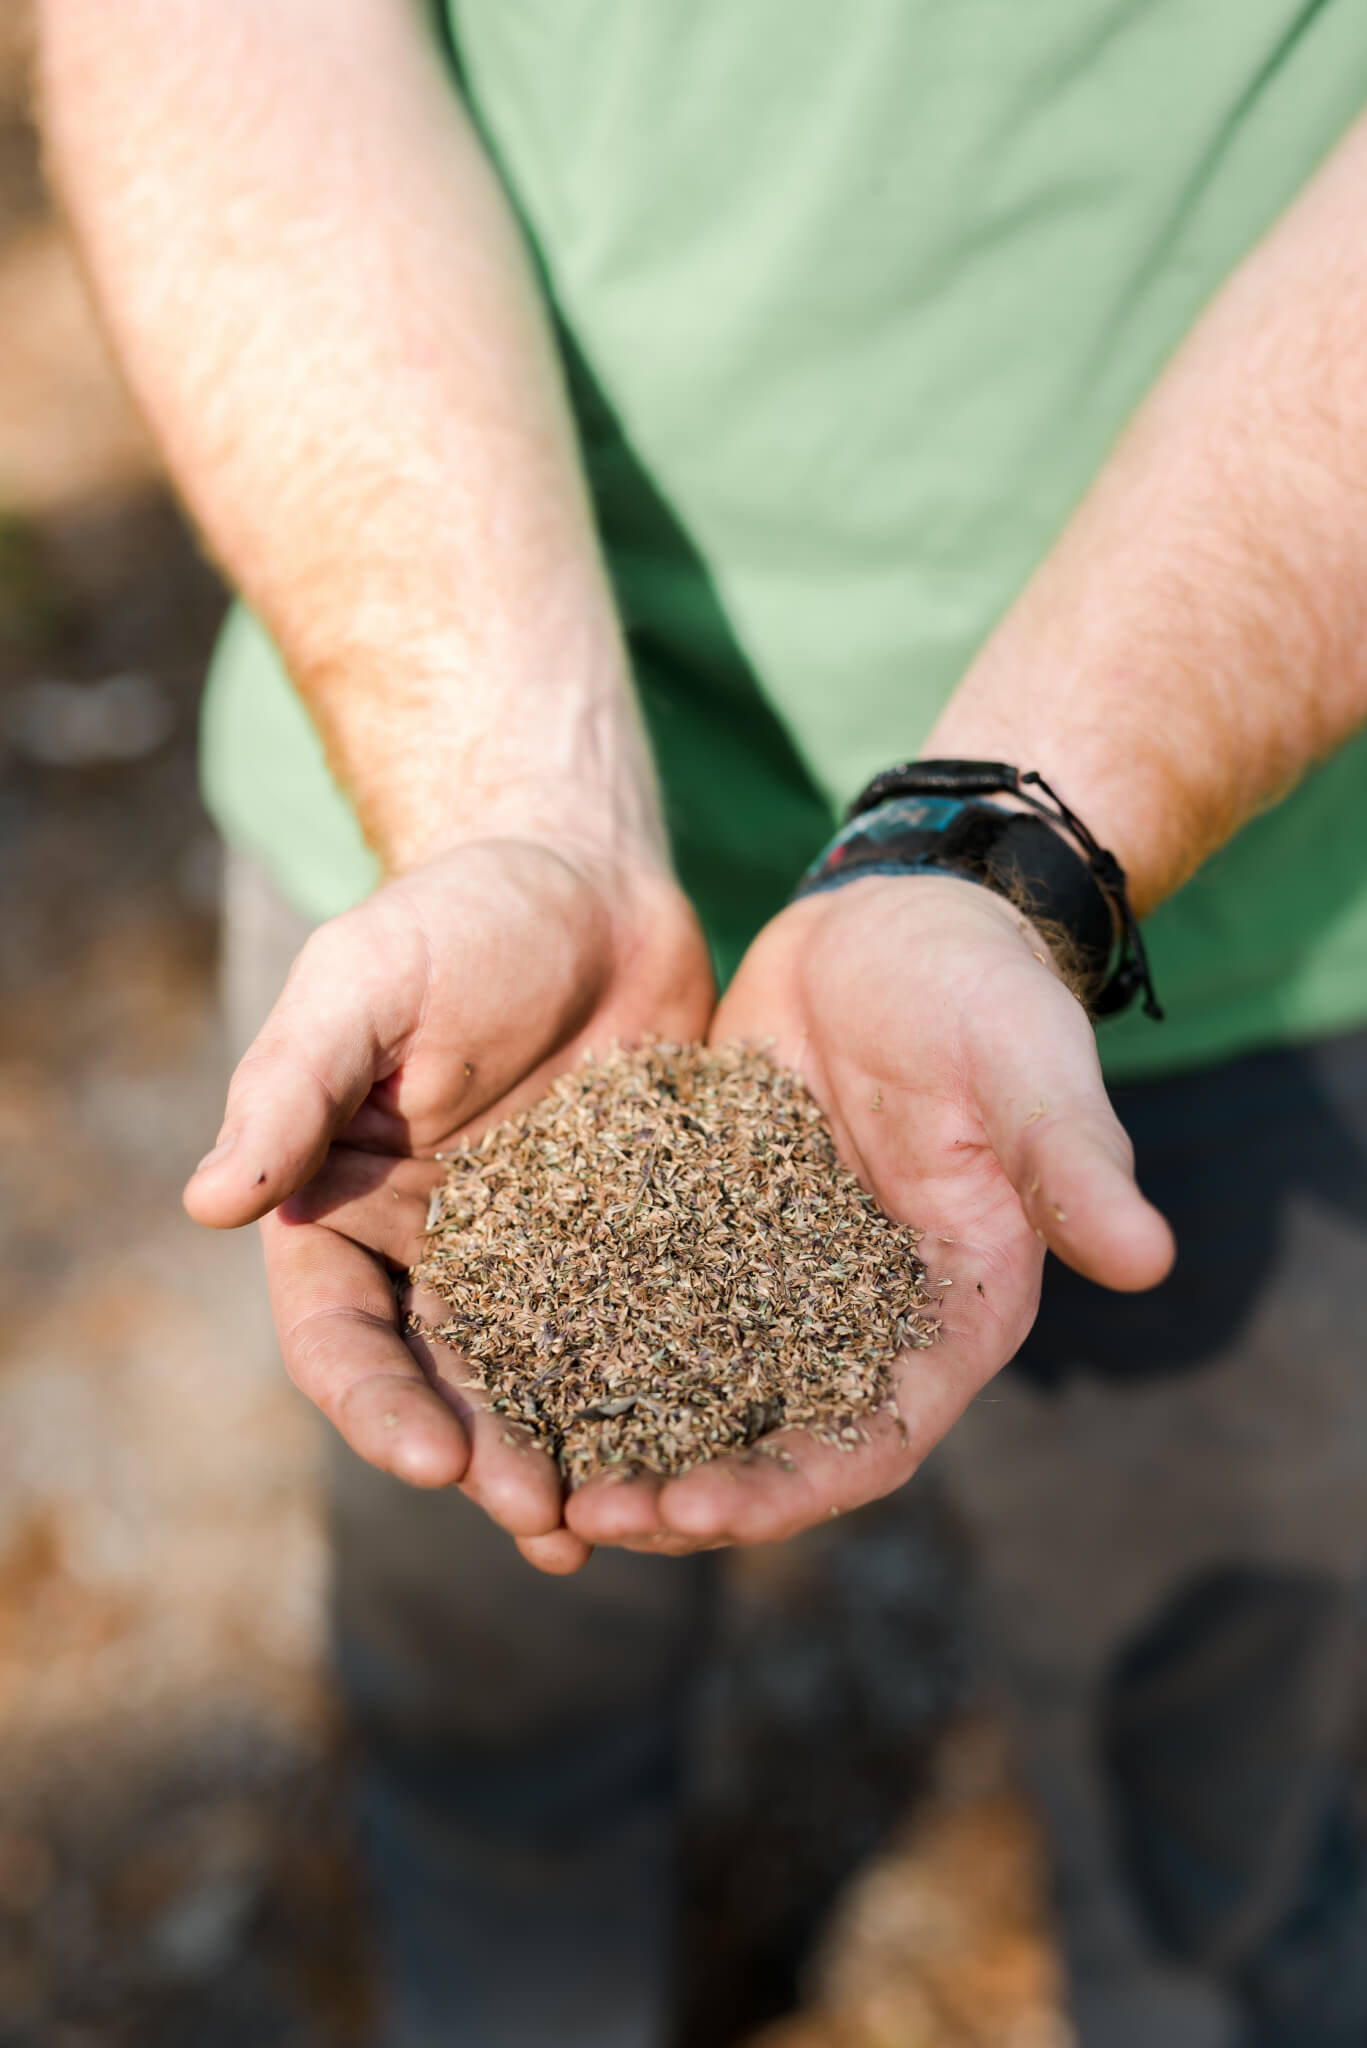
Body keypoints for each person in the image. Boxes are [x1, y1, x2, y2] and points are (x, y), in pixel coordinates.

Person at [38, 3, 1367, 2042]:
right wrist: (507, 800)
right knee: (492, 1718)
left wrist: (1030, 843)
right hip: (440, 867)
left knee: (1228, 1803)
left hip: (1267, 898)